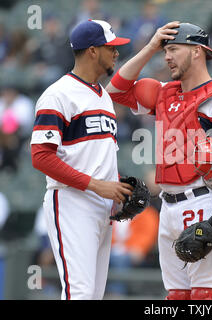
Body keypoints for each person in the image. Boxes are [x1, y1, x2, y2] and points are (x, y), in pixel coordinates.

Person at [106, 21, 212, 300]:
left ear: (197, 51)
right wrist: (150, 46)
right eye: (164, 50)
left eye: (173, 49)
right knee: (176, 296)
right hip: (169, 206)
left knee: (206, 296)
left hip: (205, 200)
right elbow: (115, 90)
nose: (166, 56)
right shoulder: (164, 93)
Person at [30, 19, 134, 300]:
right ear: (92, 51)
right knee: (80, 293)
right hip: (71, 201)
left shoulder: (103, 97)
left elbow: (92, 156)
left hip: (102, 205)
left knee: (93, 294)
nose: (116, 53)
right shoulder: (58, 94)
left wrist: (117, 185)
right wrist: (98, 185)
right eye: (110, 47)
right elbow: (40, 157)